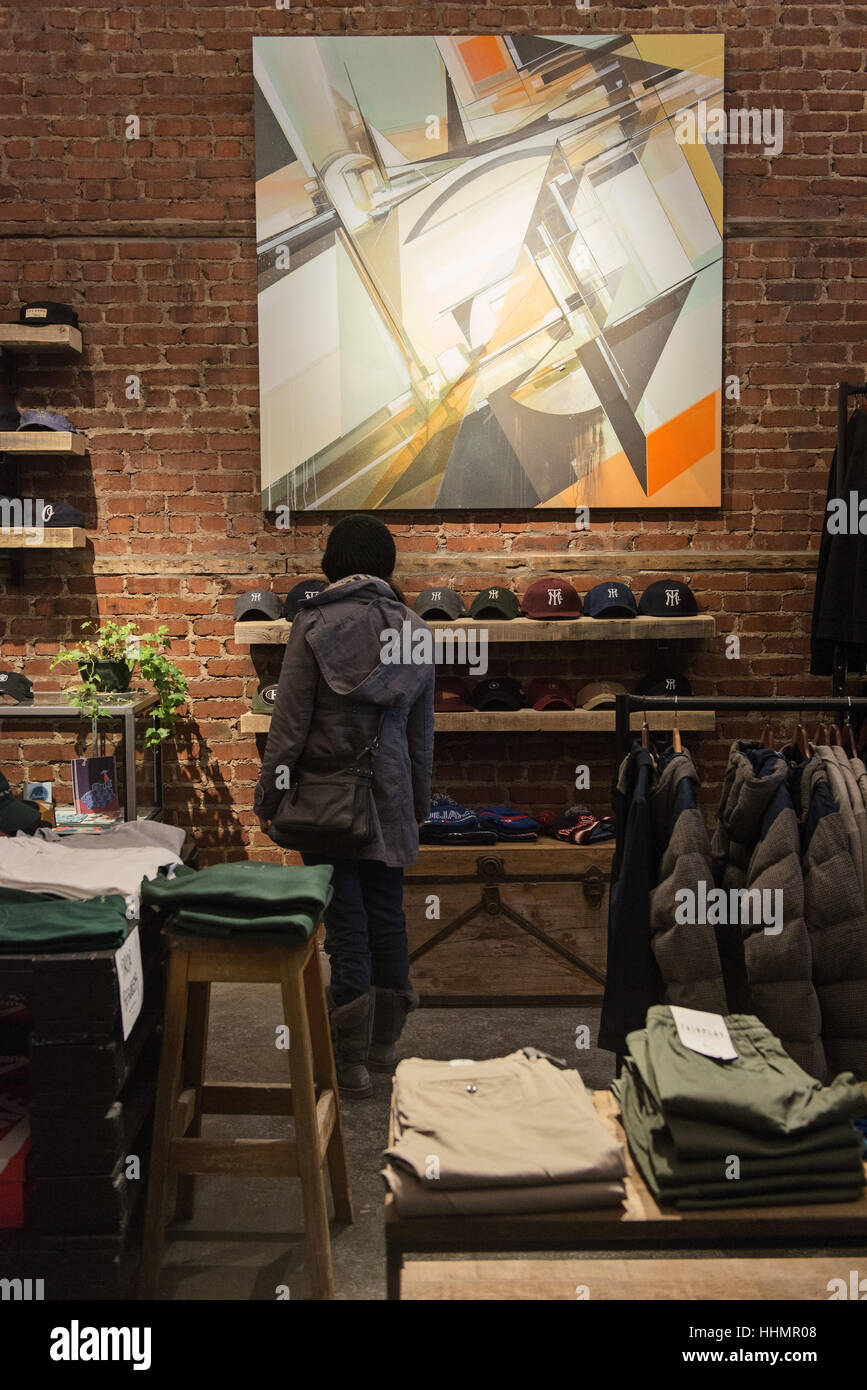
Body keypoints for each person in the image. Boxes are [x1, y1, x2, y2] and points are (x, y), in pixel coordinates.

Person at [254, 515, 435, 1098]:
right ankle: (383, 1049)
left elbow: (289, 726)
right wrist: (419, 803)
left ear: (333, 561)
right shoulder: (414, 629)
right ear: (386, 565)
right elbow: (422, 734)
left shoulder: (312, 623)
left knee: (346, 927)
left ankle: (348, 1065)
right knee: (388, 917)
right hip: (391, 798)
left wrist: (271, 793)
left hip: (327, 798)